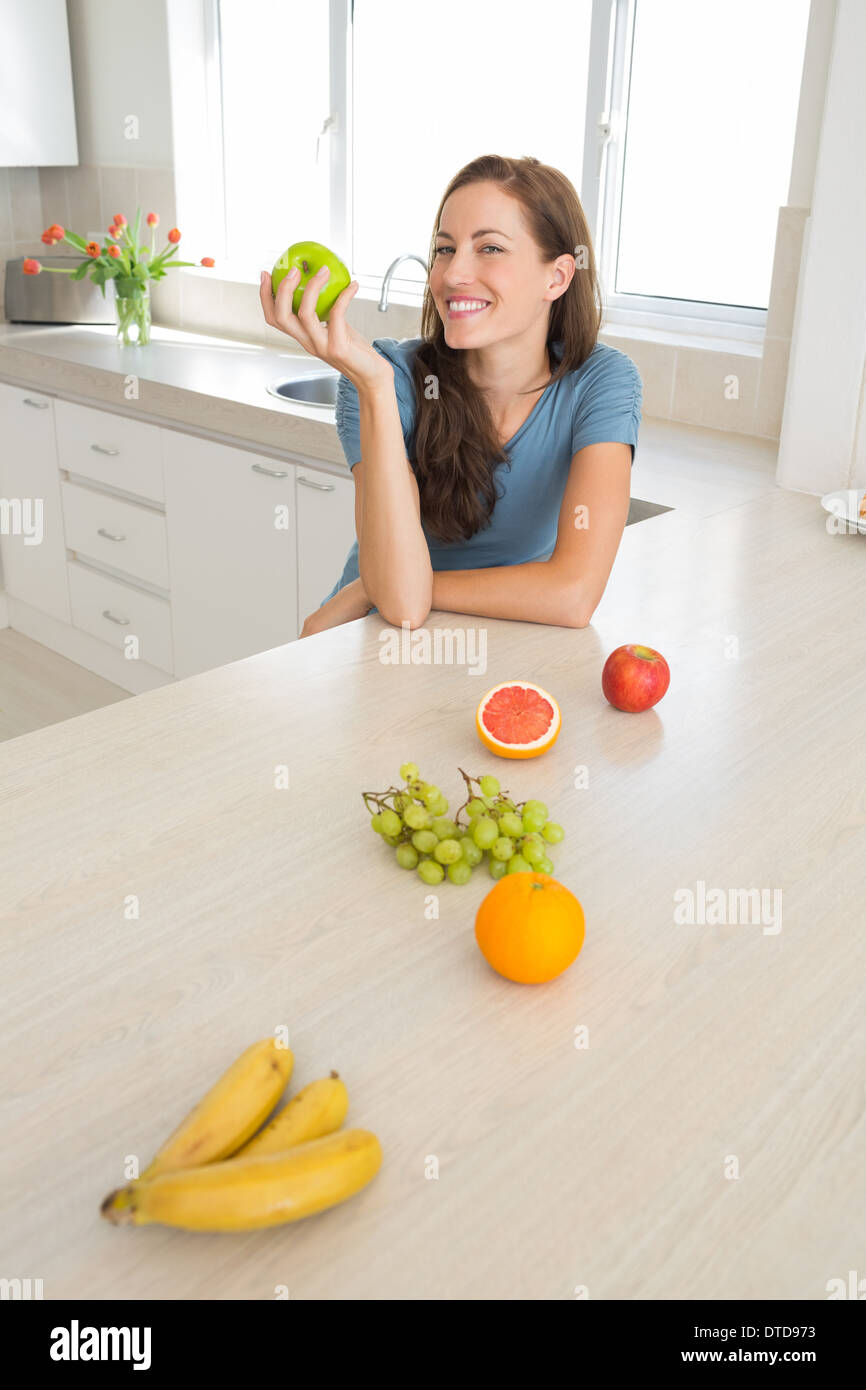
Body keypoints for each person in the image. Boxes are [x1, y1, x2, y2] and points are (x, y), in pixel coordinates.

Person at [259, 153, 642, 638]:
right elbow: (401, 609)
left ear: (558, 277)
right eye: (445, 249)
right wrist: (373, 387)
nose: (452, 274)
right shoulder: (386, 378)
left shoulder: (600, 381)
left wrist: (371, 589)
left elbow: (572, 594)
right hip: (378, 640)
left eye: (490, 249)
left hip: (504, 634)